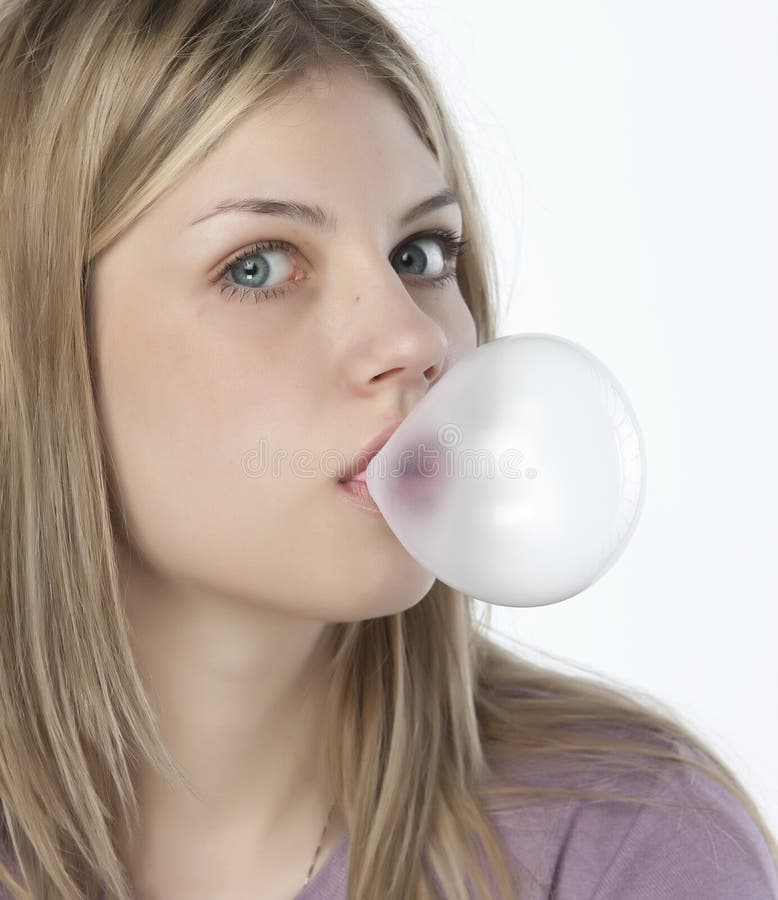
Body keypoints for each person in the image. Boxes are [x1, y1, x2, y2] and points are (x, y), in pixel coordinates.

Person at [0, 1, 775, 899]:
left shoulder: (627, 850)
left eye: (419, 253)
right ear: (38, 346)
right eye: (258, 264)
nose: (415, 340)